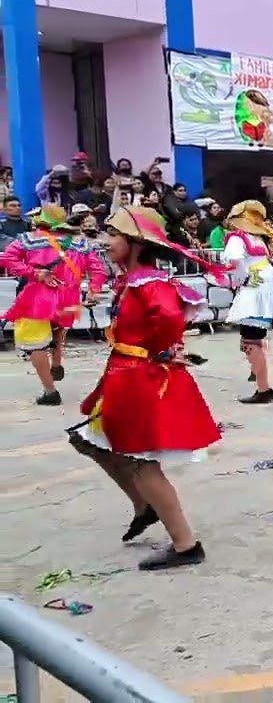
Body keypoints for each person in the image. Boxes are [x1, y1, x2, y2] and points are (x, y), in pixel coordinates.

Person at [65, 207, 227, 570]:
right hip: (125, 374)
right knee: (91, 440)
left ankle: (185, 545)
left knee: (141, 463)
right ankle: (145, 507)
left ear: (136, 243)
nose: (106, 243)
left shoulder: (148, 282)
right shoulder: (133, 279)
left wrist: (161, 349)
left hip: (140, 377)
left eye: (113, 236)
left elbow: (170, 318)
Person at [0, 205, 108, 404]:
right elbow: (99, 270)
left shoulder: (29, 239)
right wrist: (94, 289)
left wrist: (34, 273)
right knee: (58, 328)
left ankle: (50, 392)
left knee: (35, 344)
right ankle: (56, 361)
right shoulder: (81, 243)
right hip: (69, 298)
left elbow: (6, 259)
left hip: (38, 299)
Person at [223, 200, 273, 404]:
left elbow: (234, 260)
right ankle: (256, 372)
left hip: (256, 284)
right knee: (254, 336)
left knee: (251, 337)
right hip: (266, 281)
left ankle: (263, 388)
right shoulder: (258, 238)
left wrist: (242, 277)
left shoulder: (238, 238)